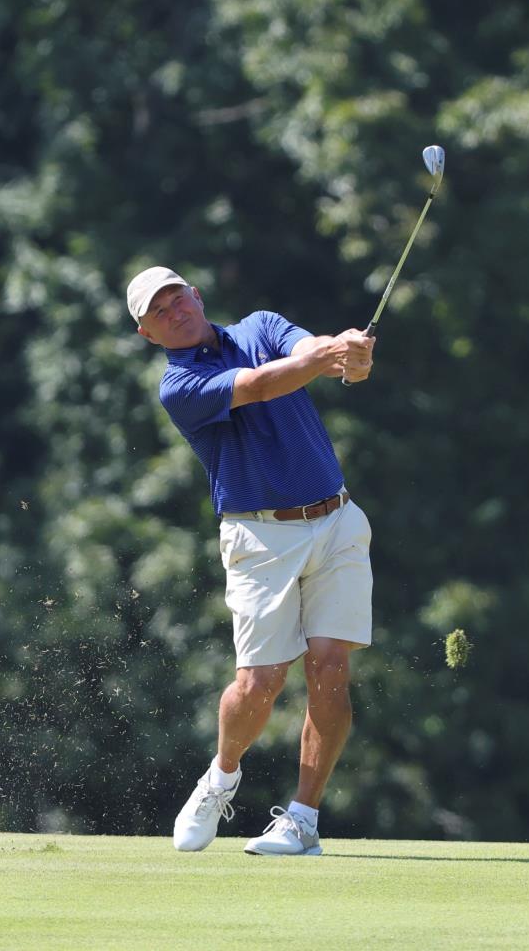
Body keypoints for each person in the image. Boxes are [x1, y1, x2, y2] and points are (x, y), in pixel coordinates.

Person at [126, 265, 377, 856]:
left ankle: (303, 820)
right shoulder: (179, 386)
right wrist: (326, 360)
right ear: (147, 335)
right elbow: (262, 384)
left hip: (337, 519)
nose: (174, 311)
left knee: (330, 666)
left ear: (197, 294)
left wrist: (347, 355)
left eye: (177, 297)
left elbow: (309, 348)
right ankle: (221, 776)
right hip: (261, 538)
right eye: (158, 312)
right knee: (261, 681)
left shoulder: (260, 325)